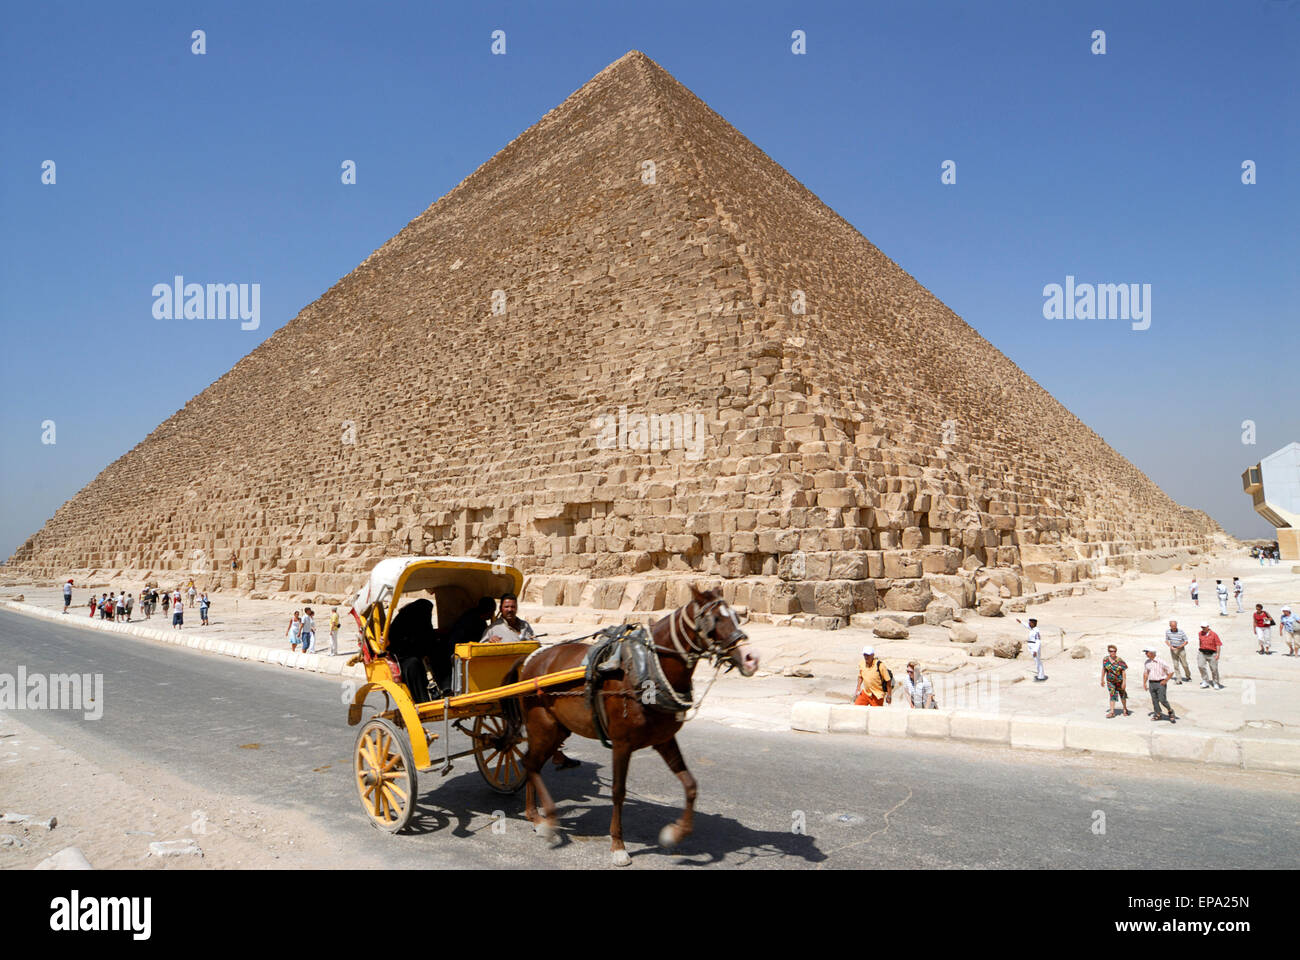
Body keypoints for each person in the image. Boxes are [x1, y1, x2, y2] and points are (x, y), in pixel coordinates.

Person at [1141, 648, 1177, 723]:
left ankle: (1170, 711)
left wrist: (1166, 680)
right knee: (1154, 700)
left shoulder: (1161, 662)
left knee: (1162, 699)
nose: (1146, 654)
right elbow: (1146, 673)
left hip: (1160, 682)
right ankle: (1158, 714)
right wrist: (1144, 683)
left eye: (1147, 652)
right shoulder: (1147, 662)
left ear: (1151, 653)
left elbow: (1171, 671)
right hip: (1151, 683)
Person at [1100, 646, 1130, 718]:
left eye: (1114, 651)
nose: (1113, 652)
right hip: (1110, 681)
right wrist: (1102, 679)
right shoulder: (1105, 659)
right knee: (1112, 694)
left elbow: (1123, 671)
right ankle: (1112, 712)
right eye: (1111, 651)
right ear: (1108, 651)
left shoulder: (1120, 660)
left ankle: (1125, 708)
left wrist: (1124, 682)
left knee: (1122, 695)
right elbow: (1104, 669)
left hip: (1119, 681)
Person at [1197, 622, 1224, 688]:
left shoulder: (1214, 634)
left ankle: (1216, 682)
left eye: (1204, 627)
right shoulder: (1200, 633)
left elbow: (1218, 644)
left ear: (1208, 627)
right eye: (1202, 627)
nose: (1203, 628)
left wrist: (1218, 654)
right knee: (1201, 666)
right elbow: (1200, 642)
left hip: (1212, 654)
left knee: (1214, 669)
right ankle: (1205, 681)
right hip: (1202, 653)